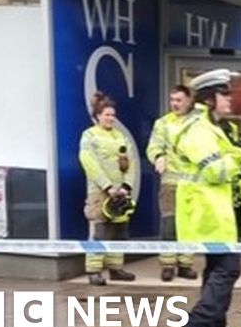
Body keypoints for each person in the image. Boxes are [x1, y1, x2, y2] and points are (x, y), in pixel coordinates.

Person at [174, 69, 241, 327]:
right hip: (206, 211)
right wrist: (238, 157)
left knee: (216, 269)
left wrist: (234, 157)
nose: (229, 99)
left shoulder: (221, 128)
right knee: (228, 268)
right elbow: (215, 171)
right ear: (210, 99)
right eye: (224, 94)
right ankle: (198, 322)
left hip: (221, 210)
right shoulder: (198, 131)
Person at [79, 92, 137, 286]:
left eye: (113, 115)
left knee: (119, 230)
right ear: (97, 116)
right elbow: (89, 162)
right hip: (99, 191)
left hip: (120, 192)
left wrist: (126, 186)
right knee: (99, 230)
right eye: (107, 115)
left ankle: (116, 269)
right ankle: (94, 270)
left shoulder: (120, 136)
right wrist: (107, 186)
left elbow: (131, 163)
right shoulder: (89, 135)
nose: (111, 118)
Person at [146, 85, 199, 282]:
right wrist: (159, 156)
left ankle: (185, 264)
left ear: (188, 101)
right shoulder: (163, 123)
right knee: (169, 225)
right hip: (170, 182)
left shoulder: (198, 122)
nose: (174, 104)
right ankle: (167, 265)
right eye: (172, 100)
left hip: (192, 184)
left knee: (189, 227)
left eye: (178, 100)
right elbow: (153, 146)